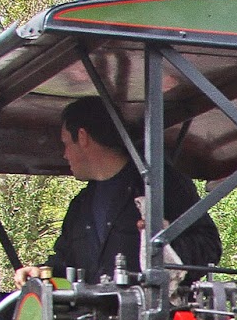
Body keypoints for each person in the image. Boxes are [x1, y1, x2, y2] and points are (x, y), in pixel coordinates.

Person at [16, 97, 222, 283]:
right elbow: (64, 262)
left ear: (83, 136)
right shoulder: (79, 206)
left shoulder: (161, 183)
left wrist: (167, 241)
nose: (65, 155)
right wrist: (40, 272)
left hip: (152, 319)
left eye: (66, 144)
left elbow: (210, 247)